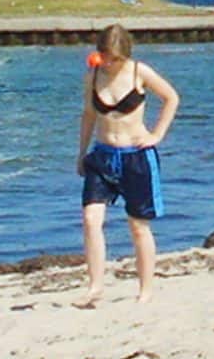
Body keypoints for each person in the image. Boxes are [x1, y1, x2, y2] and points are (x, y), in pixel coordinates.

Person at [76, 25, 182, 307]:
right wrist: (81, 153)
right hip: (102, 155)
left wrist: (157, 135)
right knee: (90, 220)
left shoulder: (139, 72)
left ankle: (145, 290)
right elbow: (88, 115)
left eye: (114, 58)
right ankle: (95, 286)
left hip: (135, 156)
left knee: (138, 226)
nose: (109, 63)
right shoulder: (93, 76)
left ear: (124, 55)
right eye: (105, 57)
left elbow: (171, 98)